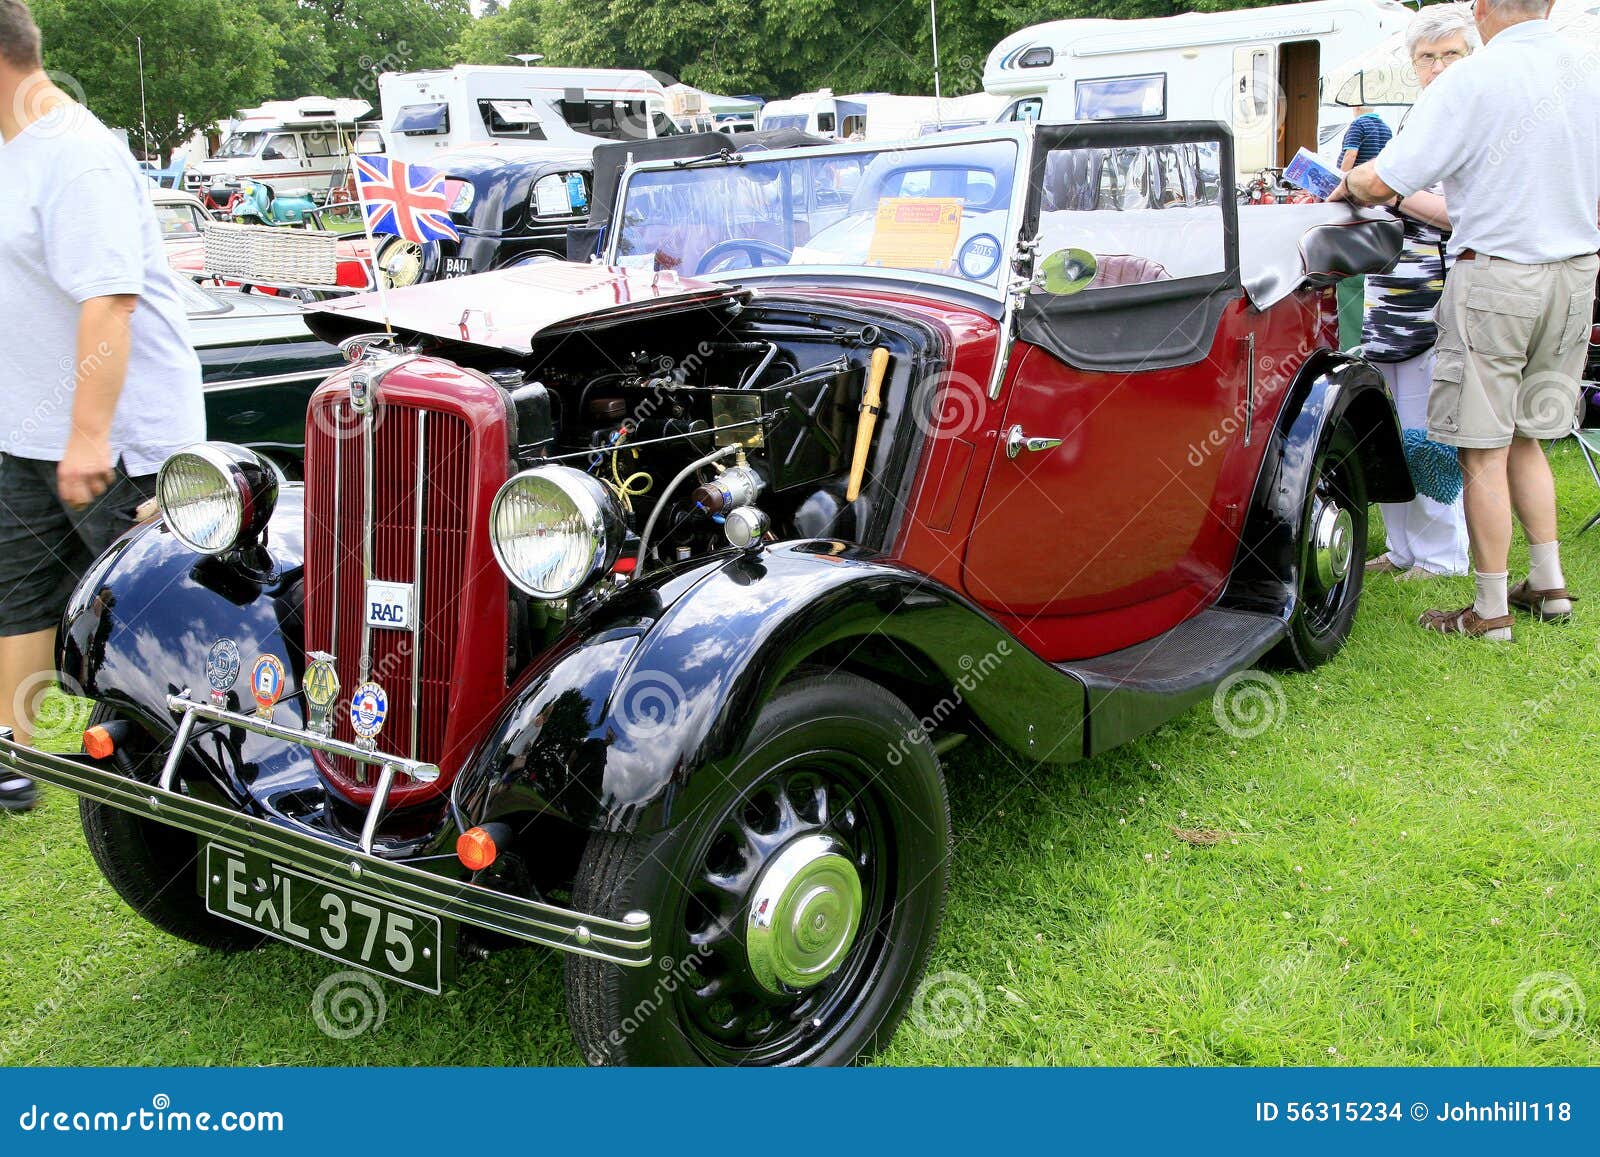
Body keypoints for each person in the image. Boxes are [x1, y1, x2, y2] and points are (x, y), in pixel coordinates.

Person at [1333, 0, 1600, 641]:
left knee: (1482, 448)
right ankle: (1548, 585)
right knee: (1530, 436)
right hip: (1574, 274)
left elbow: (1386, 181)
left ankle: (1490, 610)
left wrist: (1350, 180)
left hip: (1498, 276)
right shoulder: (1588, 68)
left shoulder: (1471, 79)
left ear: (1480, 11)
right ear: (1550, 5)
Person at [0, 0, 204, 809]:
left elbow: (110, 300)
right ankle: (16, 757)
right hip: (28, 431)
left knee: (144, 613)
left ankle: (176, 779)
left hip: (121, 441)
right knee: (19, 597)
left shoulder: (74, 153)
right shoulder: (11, 150)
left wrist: (86, 438)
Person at [1362, 3, 1477, 582]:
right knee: (1386, 429)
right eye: (1426, 57)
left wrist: (1390, 191)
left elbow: (1465, 215)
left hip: (1436, 300)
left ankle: (1442, 556)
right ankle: (1403, 547)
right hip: (1387, 298)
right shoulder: (1417, 117)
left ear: (1472, 57)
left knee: (1428, 432)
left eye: (1450, 54)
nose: (1437, 66)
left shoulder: (1473, 117)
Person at [1338, 106, 1393, 173]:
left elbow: (1351, 155)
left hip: (1356, 175)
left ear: (1357, 107)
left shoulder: (1358, 124)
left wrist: (1342, 175)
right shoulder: (1386, 128)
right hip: (1372, 175)